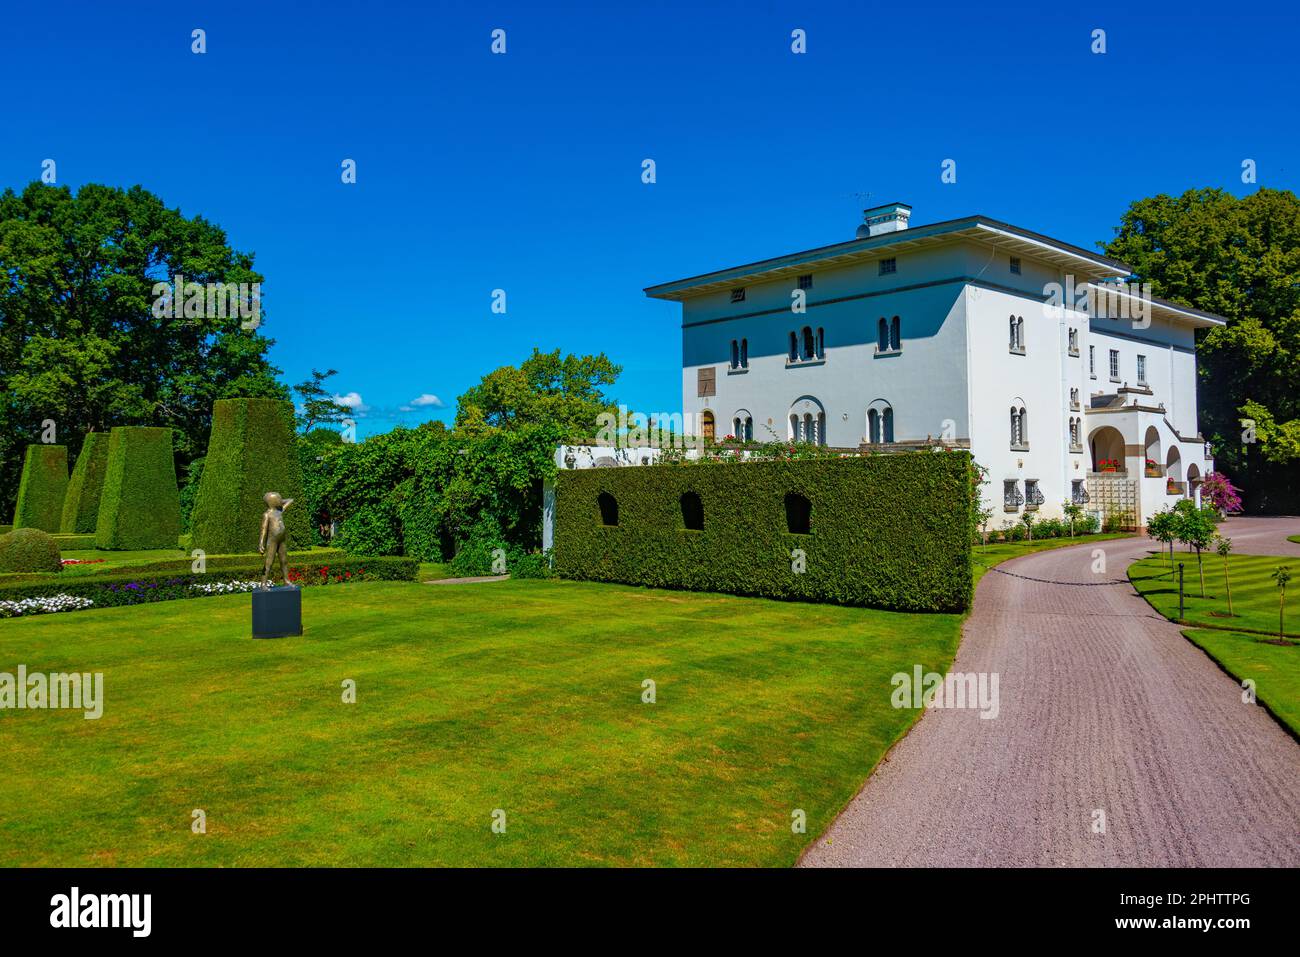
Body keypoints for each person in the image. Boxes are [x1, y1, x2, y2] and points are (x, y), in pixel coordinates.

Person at [258, 492, 295, 586]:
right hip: (272, 541)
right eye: (278, 499)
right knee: (269, 562)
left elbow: (291, 500)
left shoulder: (280, 510)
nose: (281, 501)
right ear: (272, 502)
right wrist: (261, 543)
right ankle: (263, 583)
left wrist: (281, 501)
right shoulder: (267, 514)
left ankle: (286, 581)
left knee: (284, 561)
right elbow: (263, 529)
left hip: (281, 540)